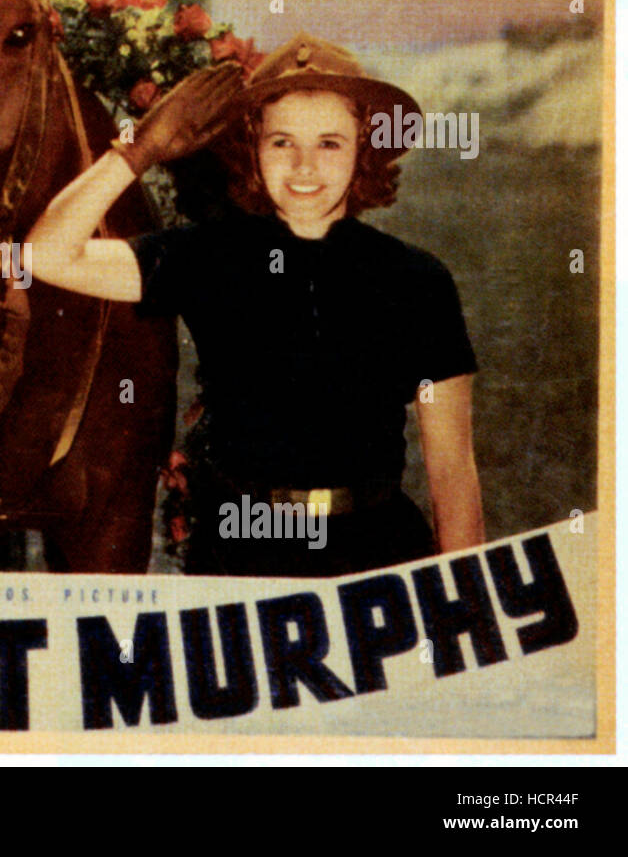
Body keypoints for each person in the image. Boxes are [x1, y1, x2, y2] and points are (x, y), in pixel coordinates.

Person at [25, 33, 485, 577]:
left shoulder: (418, 280)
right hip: (236, 558)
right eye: (282, 142)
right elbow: (45, 255)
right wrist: (140, 148)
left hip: (378, 557)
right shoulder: (205, 255)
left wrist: (467, 598)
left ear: (365, 147)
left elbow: (452, 472)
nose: (304, 167)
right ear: (252, 145)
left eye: (330, 143)